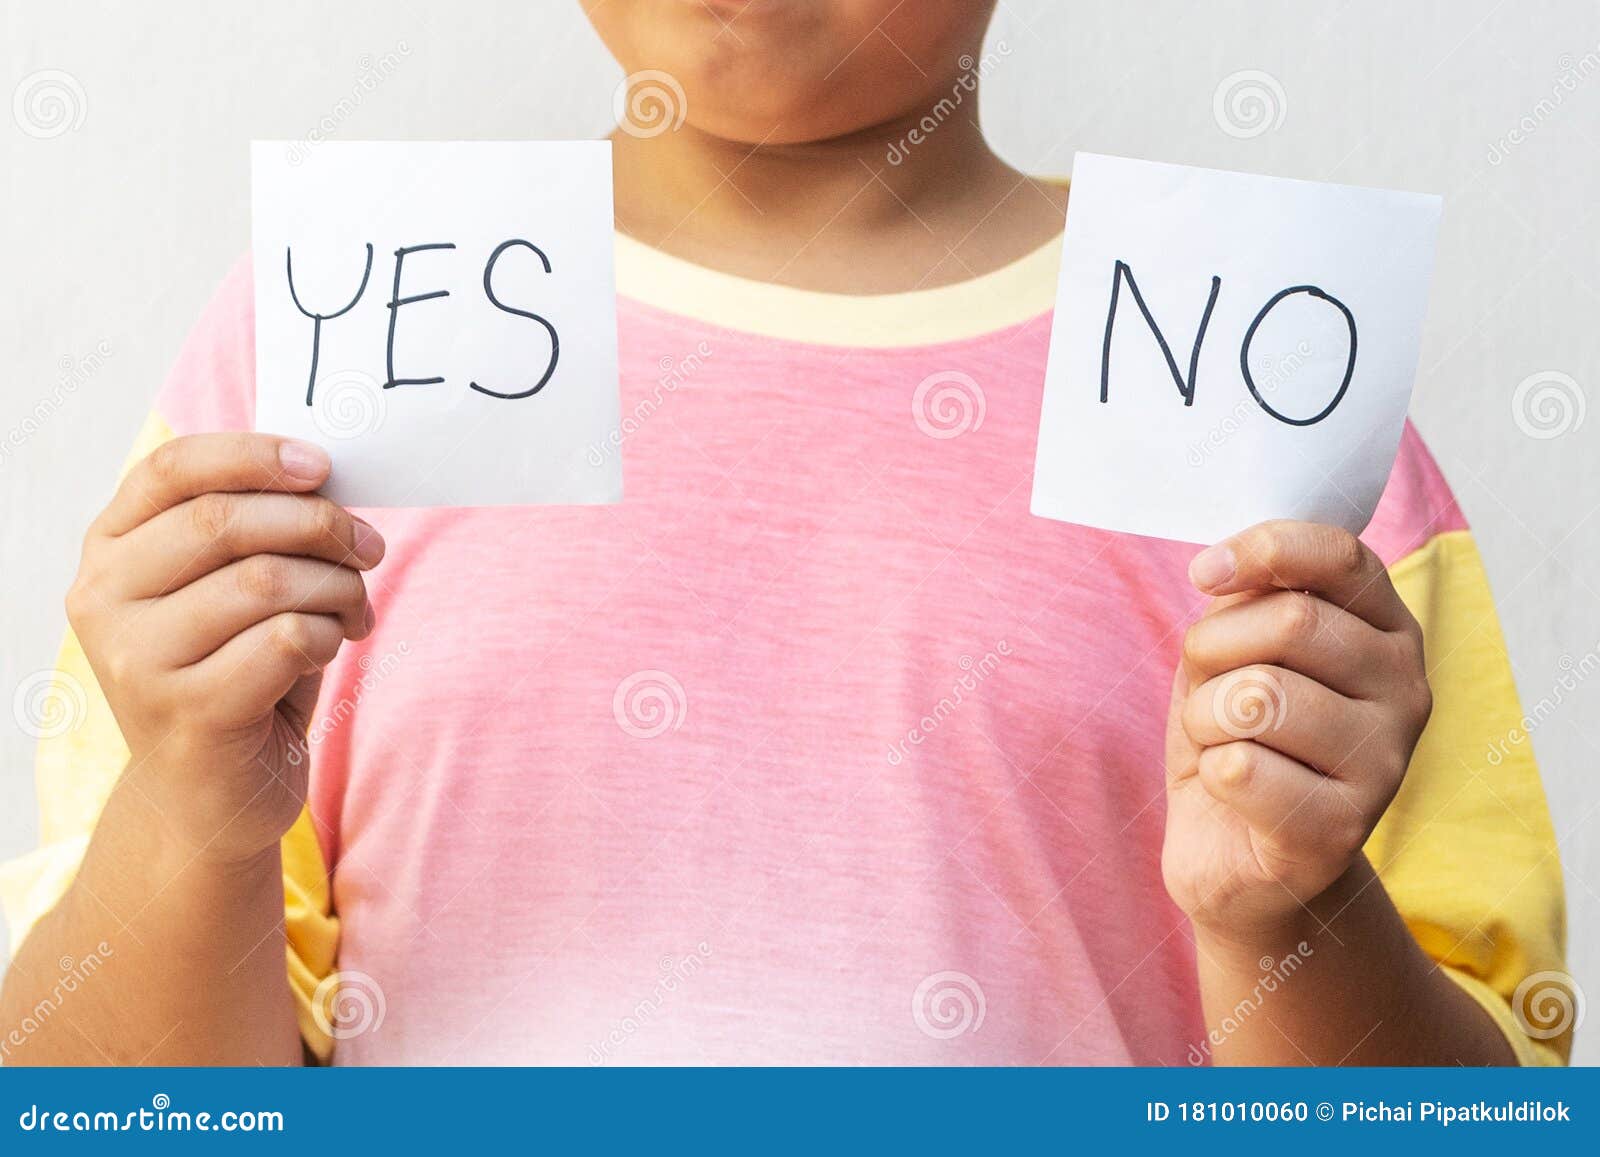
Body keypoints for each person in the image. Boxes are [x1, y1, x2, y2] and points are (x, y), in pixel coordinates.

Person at [0, 0, 1568, 1065]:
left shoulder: (1276, 393)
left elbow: (1461, 1118)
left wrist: (1296, 907)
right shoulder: (304, 356)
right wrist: (196, 817)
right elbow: (99, 1101)